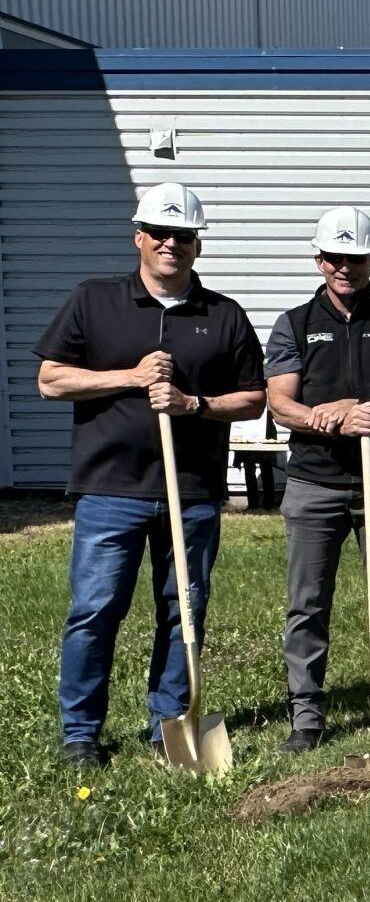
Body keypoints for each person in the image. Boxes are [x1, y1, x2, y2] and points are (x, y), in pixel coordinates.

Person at [35, 183, 266, 768]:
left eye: (183, 236)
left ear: (197, 245)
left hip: (190, 491)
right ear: (139, 237)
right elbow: (52, 379)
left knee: (183, 608)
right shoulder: (95, 300)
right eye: (160, 233)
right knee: (94, 609)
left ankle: (170, 724)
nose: (171, 244)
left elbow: (253, 399)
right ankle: (80, 733)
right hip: (111, 487)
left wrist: (195, 405)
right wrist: (130, 377)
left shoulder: (224, 315)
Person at [263, 207, 370, 753]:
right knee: (307, 601)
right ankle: (306, 716)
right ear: (318, 259)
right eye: (334, 257)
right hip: (313, 482)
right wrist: (324, 415)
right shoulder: (294, 325)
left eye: (355, 257)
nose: (344, 267)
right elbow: (279, 403)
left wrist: (369, 412)